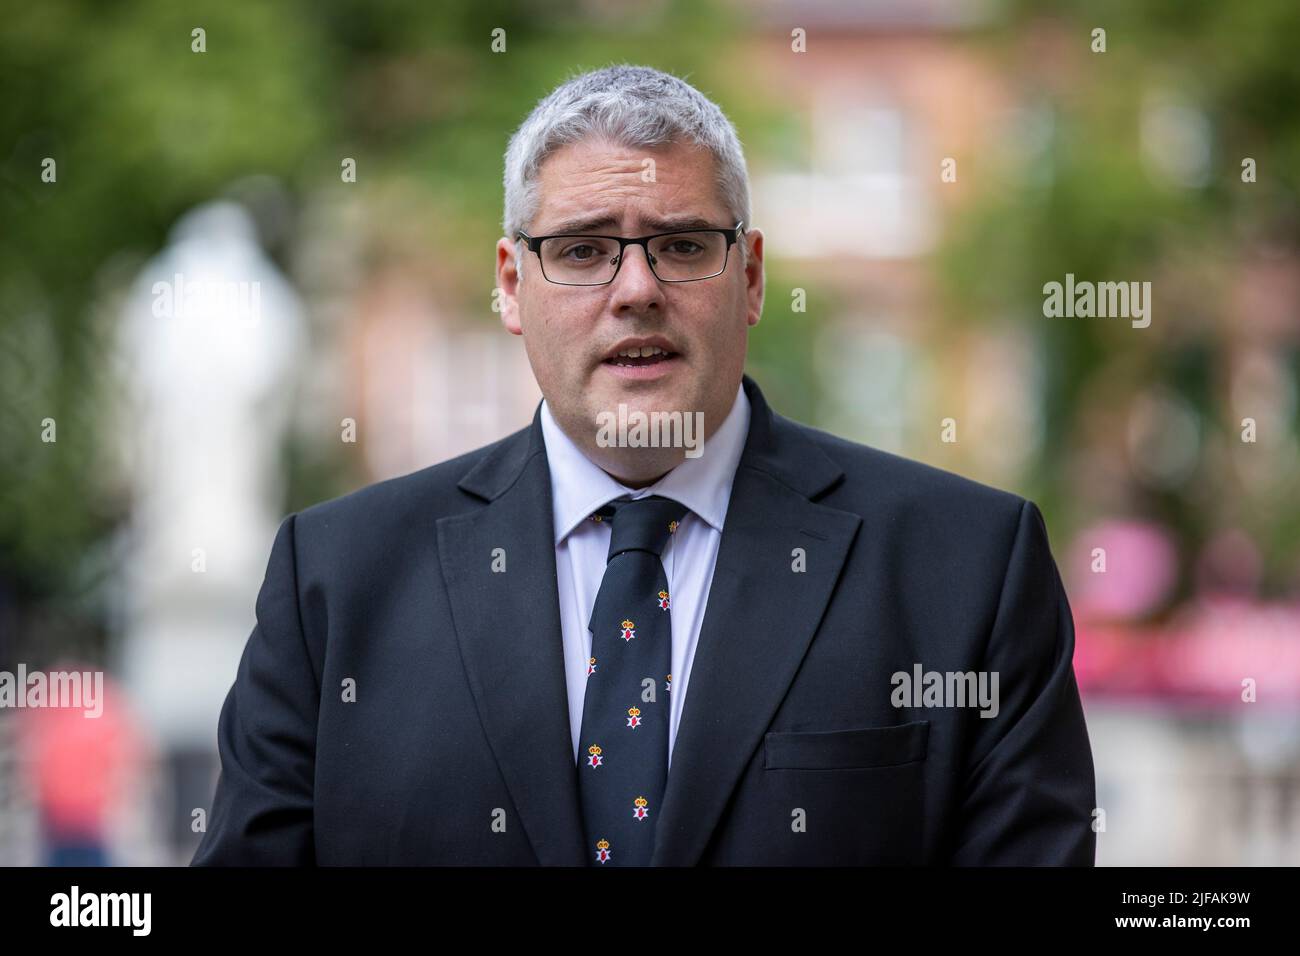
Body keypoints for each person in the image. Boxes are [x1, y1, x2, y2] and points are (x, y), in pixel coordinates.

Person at [192, 64, 1096, 866]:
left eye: (682, 246)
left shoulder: (967, 567)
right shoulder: (339, 581)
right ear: (512, 285)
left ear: (749, 277)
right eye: (582, 251)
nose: (636, 290)